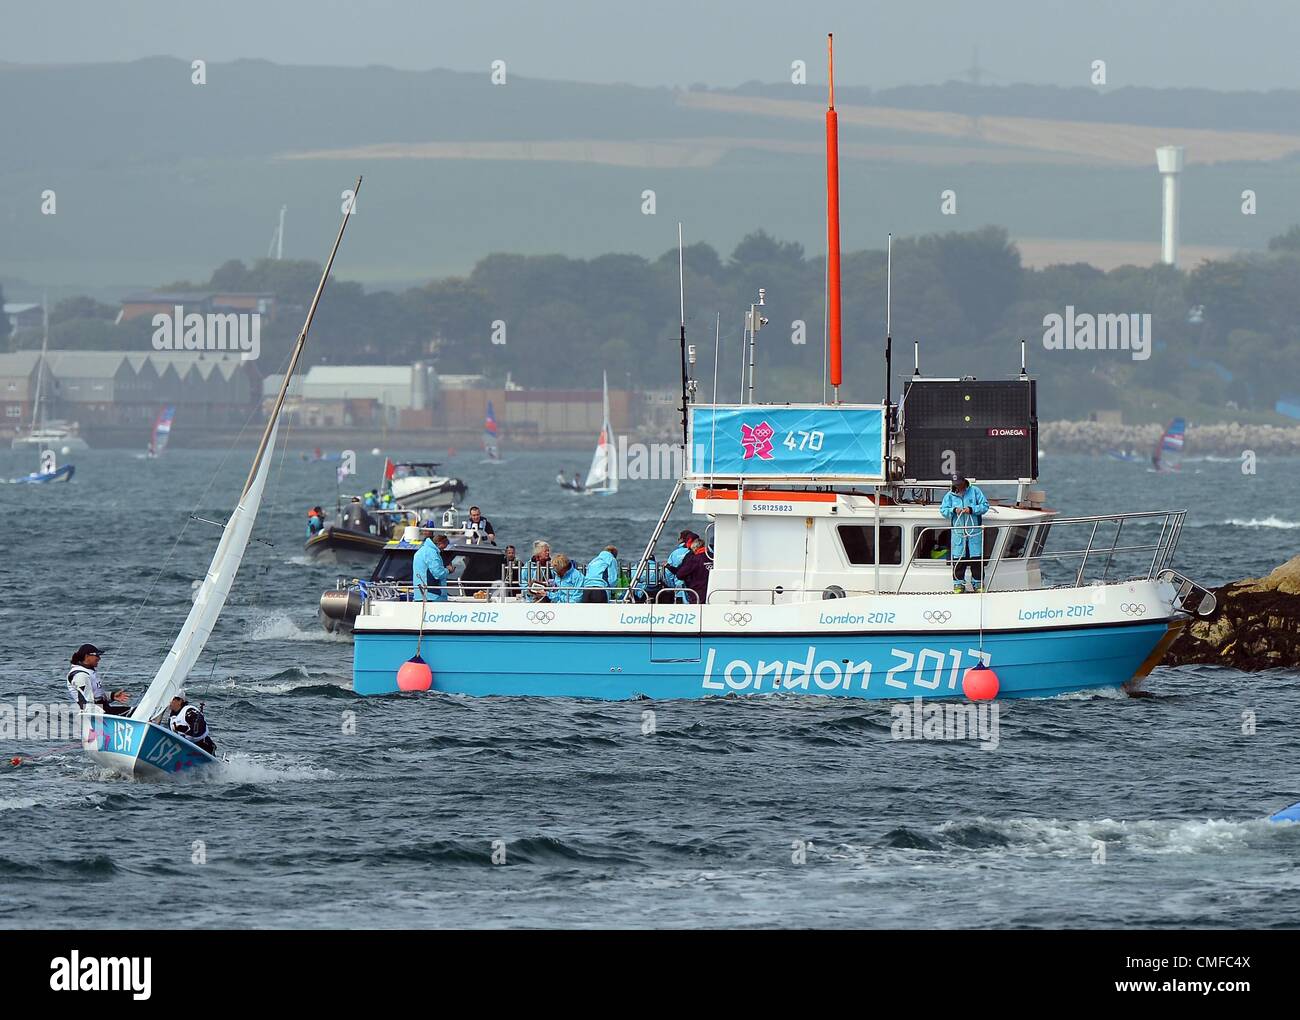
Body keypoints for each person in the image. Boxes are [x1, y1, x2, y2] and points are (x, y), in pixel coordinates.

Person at [940, 474, 990, 593]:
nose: (957, 486)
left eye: (958, 483)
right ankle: (958, 584)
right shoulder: (949, 495)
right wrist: (953, 510)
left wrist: (971, 509)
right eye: (955, 484)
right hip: (958, 533)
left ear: (964, 482)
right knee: (958, 558)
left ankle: (978, 583)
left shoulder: (975, 491)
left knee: (976, 558)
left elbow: (985, 506)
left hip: (974, 532)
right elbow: (943, 510)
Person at [66, 644, 132, 716]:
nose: (99, 658)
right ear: (87, 656)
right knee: (138, 712)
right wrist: (105, 715)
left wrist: (112, 696)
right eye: (97, 655)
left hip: (103, 709)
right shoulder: (80, 675)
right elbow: (86, 702)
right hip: (96, 715)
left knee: (139, 711)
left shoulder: (89, 671)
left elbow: (96, 696)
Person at [413, 533, 451, 601]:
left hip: (421, 594)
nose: (445, 548)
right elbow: (438, 573)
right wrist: (448, 570)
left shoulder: (422, 550)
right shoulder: (431, 552)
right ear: (440, 543)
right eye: (446, 545)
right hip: (432, 595)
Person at [674, 538, 712, 605]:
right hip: (713, 592)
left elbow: (680, 575)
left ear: (695, 549)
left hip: (698, 593)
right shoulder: (713, 556)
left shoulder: (694, 559)